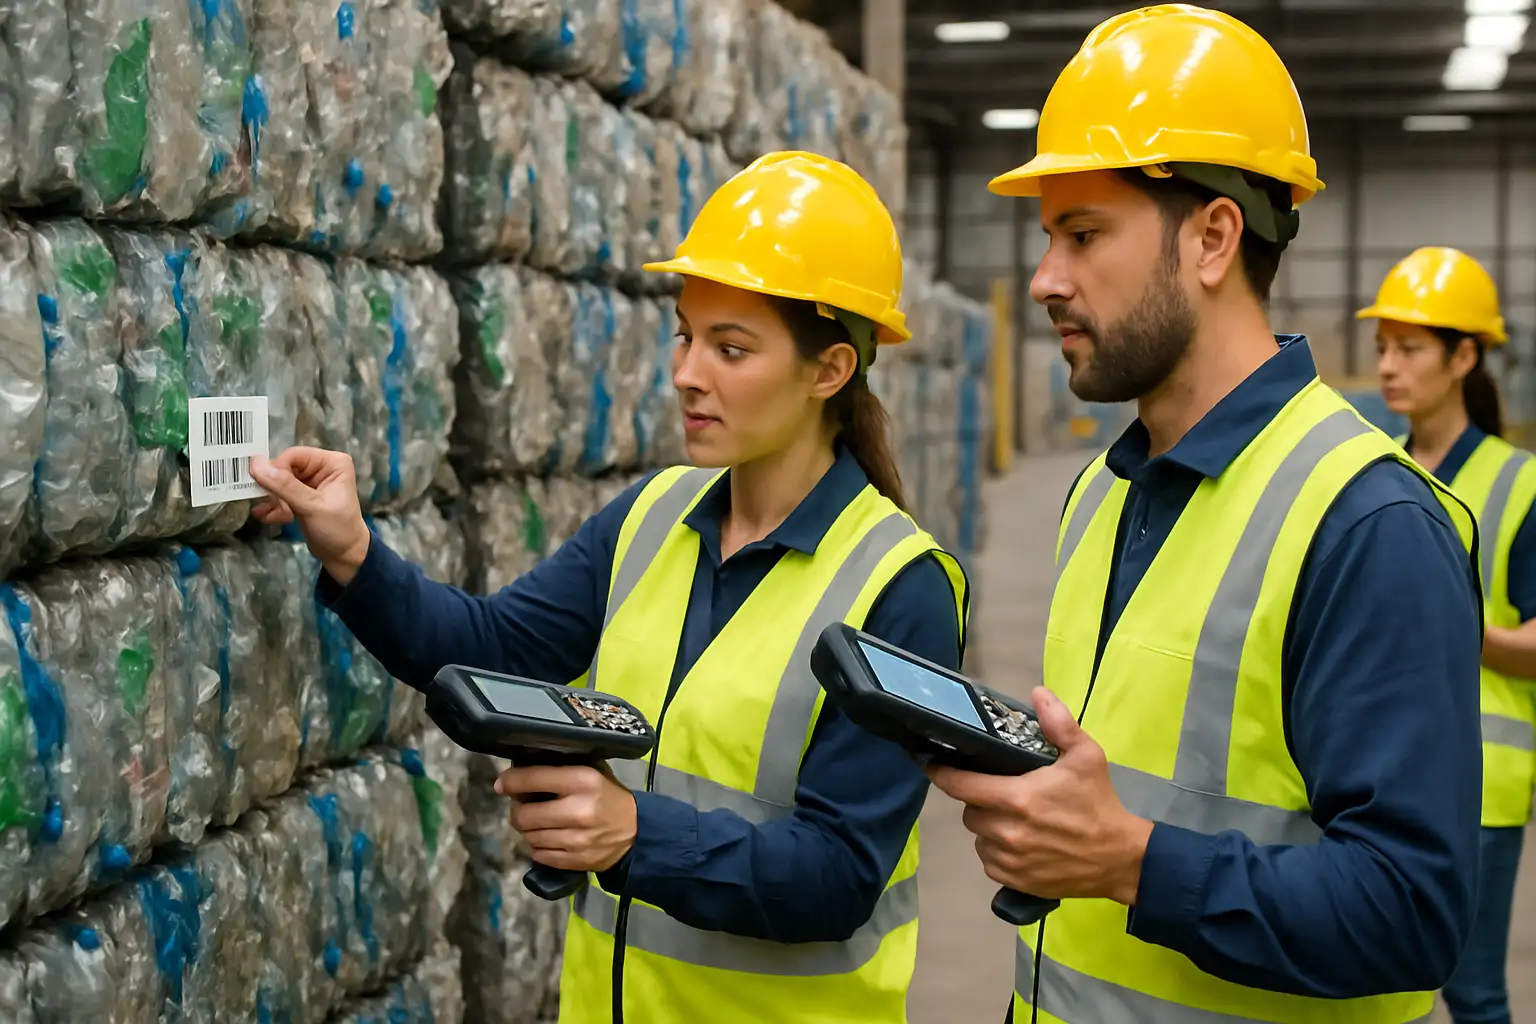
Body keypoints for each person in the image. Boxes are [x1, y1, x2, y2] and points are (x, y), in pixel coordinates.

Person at [247, 150, 968, 1024]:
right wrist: (355, 551)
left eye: (731, 349)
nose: (686, 374)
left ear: (830, 372)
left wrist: (633, 833)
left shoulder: (902, 585)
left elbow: (840, 874)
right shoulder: (654, 517)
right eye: (686, 334)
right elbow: (494, 649)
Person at [920, 6, 1485, 1023]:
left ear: (1214, 238)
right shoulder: (1102, 490)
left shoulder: (1368, 523)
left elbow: (1414, 910)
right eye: (1050, 238)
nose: (1045, 278)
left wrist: (1132, 860)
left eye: (1083, 234)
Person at [1364, 245, 1536, 1024]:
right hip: (1377, 768)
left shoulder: (1518, 482)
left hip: (1482, 783)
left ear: (1464, 356)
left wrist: (1458, 634)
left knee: (1471, 991)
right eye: (1382, 349)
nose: (1389, 368)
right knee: (1379, 986)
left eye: (1410, 349)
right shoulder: (1373, 475)